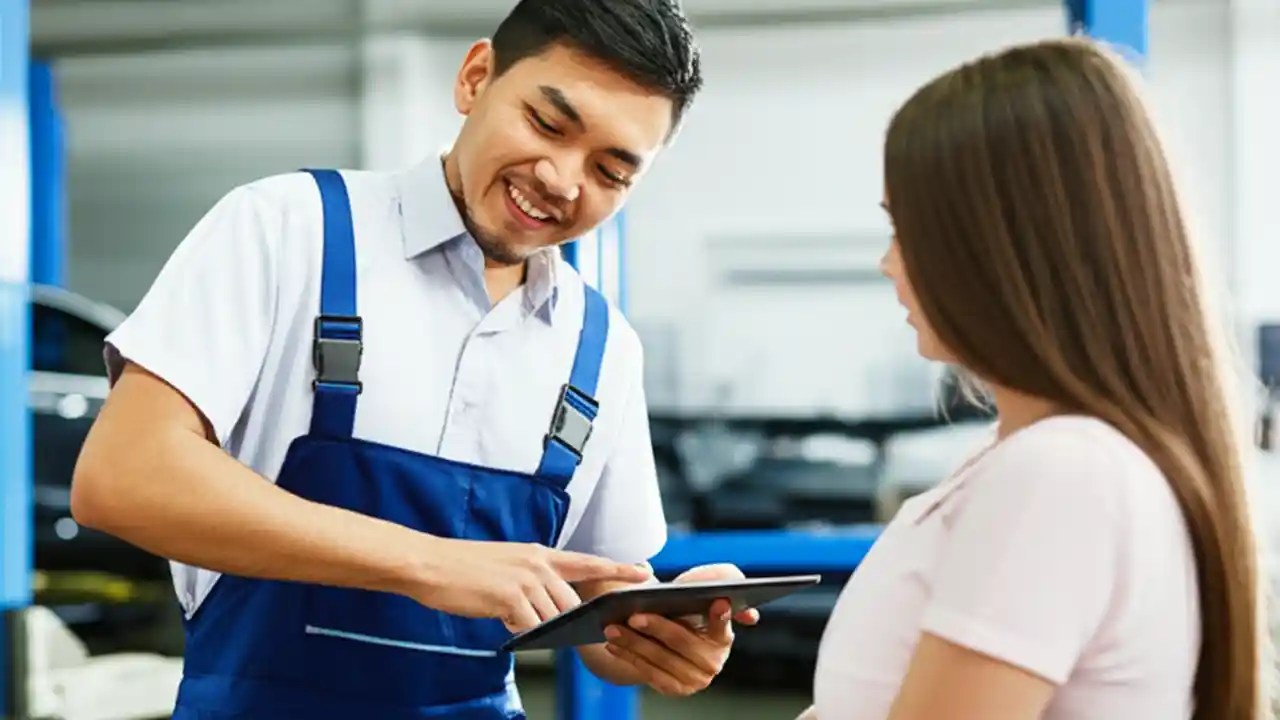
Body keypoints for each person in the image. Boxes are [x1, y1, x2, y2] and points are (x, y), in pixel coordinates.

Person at [70, 1, 756, 717]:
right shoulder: (287, 230)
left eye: (611, 171)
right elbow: (123, 475)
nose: (562, 178)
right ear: (476, 78)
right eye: (547, 125)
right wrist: (429, 563)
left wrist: (657, 634)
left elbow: (592, 608)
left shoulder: (602, 343)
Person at [802, 38, 1269, 720]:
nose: (888, 264)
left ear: (995, 244)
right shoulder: (1053, 462)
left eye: (906, 229)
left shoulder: (1061, 473)